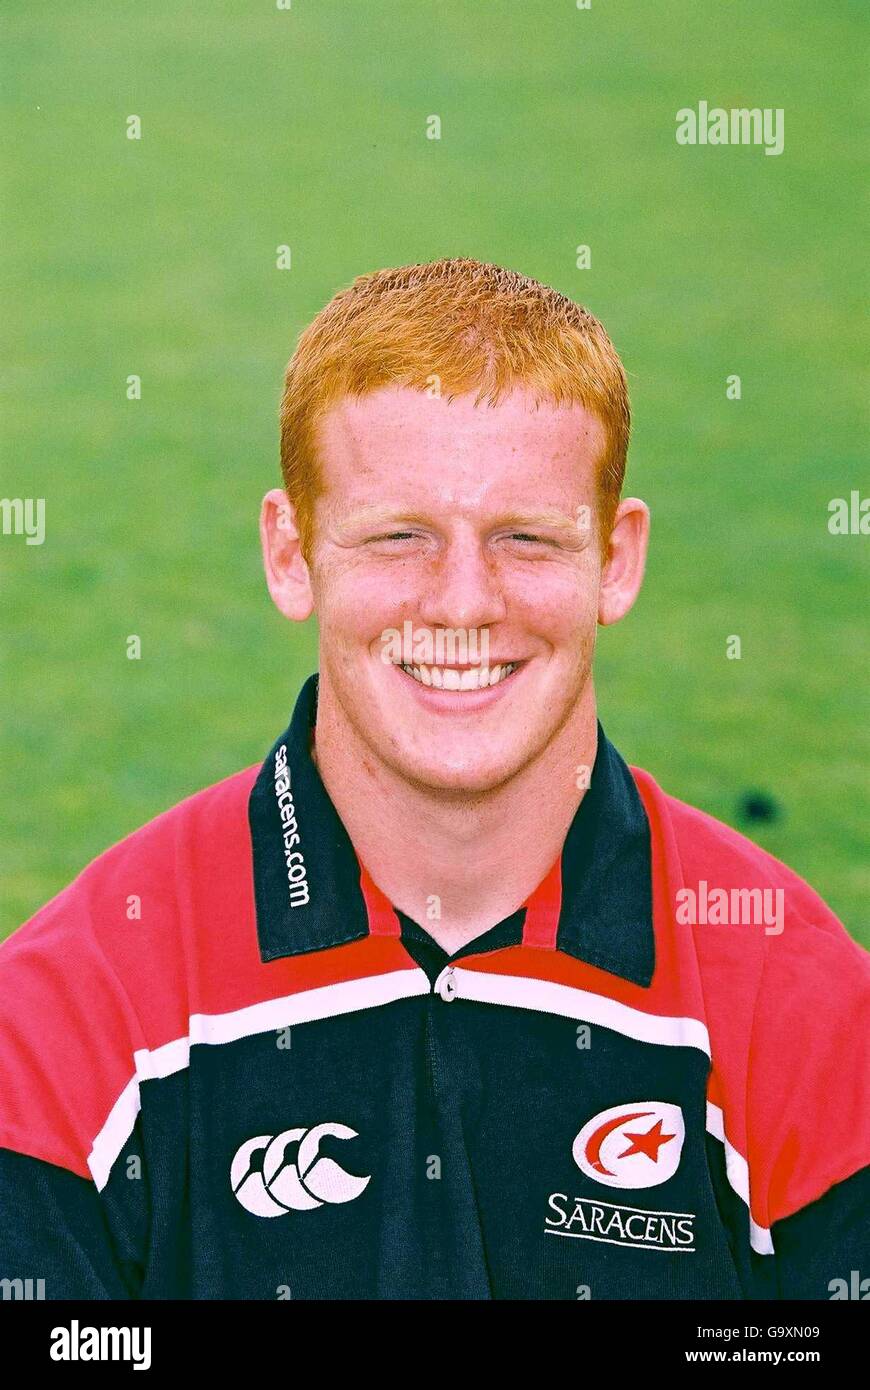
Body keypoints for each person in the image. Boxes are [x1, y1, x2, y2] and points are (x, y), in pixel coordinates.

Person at [1, 259, 866, 1300]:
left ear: (618, 560)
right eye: (400, 535)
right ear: (291, 551)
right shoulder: (70, 1016)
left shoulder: (800, 1004)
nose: (463, 603)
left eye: (526, 538)